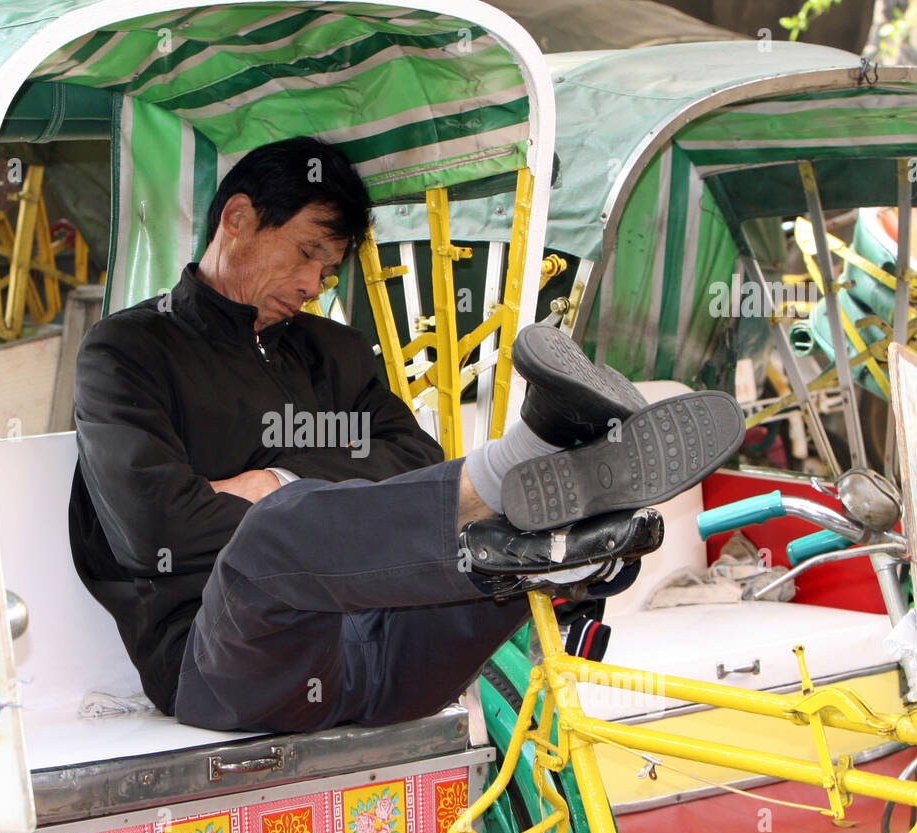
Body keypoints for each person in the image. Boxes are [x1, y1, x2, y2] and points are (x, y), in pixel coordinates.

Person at [69, 137, 743, 734]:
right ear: (238, 219)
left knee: (483, 560)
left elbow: (417, 463)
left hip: (389, 657)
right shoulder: (127, 351)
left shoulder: (334, 351)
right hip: (232, 670)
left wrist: (271, 479)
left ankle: (569, 554)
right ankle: (519, 466)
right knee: (278, 530)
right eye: (306, 254)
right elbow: (157, 531)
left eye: (328, 271)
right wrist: (297, 497)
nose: (312, 285)